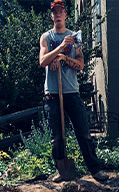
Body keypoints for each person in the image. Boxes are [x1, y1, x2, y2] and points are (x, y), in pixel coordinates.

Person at [39, 0, 107, 182]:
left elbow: (80, 65)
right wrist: (60, 49)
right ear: (51, 16)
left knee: (84, 133)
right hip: (52, 94)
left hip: (72, 93)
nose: (58, 15)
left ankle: (95, 170)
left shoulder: (75, 37)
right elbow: (43, 61)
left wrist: (62, 58)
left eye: (61, 11)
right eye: (55, 12)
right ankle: (62, 171)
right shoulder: (46, 37)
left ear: (66, 15)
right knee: (57, 137)